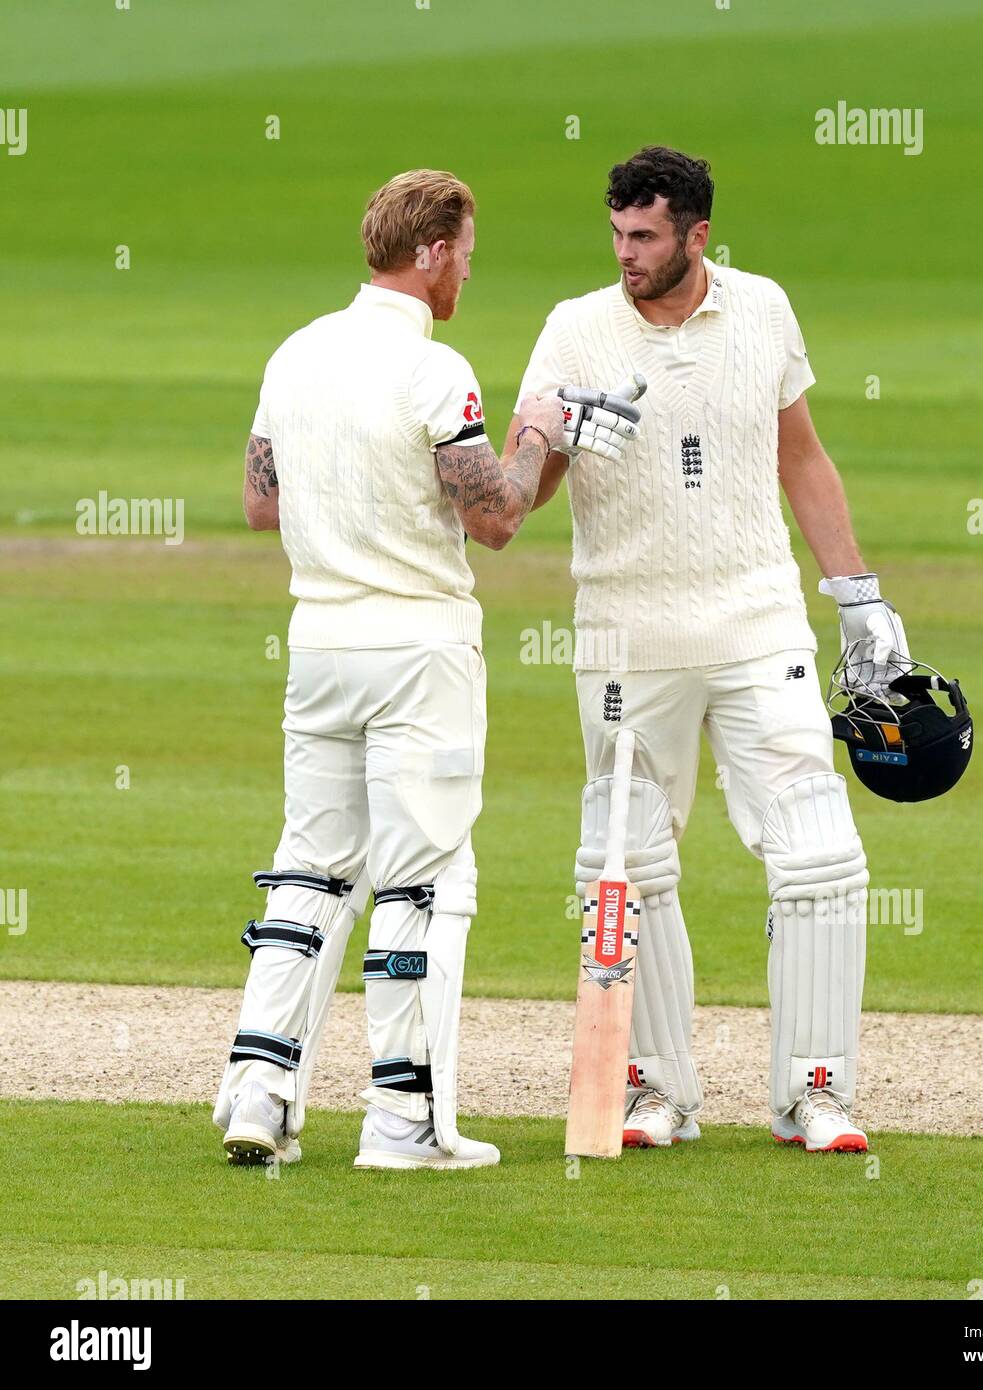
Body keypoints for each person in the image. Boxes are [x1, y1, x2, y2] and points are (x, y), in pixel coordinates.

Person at [213, 169, 636, 1171]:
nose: (467, 277)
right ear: (434, 251)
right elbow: (493, 519)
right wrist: (541, 431)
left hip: (317, 647)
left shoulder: (295, 353)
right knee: (425, 879)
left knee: (310, 870)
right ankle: (404, 1121)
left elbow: (261, 505)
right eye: (466, 257)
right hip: (418, 653)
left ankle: (259, 1090)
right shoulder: (435, 373)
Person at [509, 146, 911, 1153]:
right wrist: (554, 434)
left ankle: (814, 1092)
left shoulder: (762, 309)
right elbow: (523, 490)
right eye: (614, 234)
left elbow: (800, 454)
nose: (625, 254)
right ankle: (653, 1091)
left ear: (696, 235)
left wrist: (855, 594)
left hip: (756, 622)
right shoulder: (573, 328)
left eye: (643, 236)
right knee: (631, 860)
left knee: (817, 852)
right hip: (623, 634)